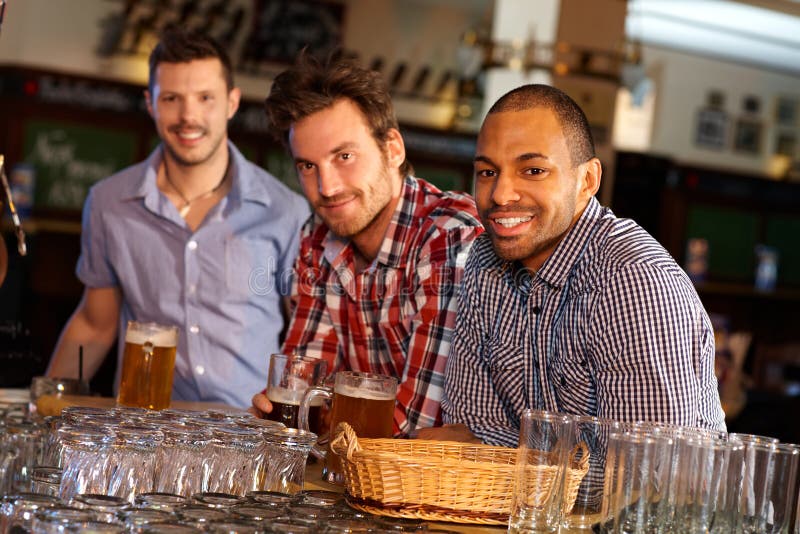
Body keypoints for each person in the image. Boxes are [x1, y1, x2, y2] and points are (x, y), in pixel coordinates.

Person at [424, 84, 726, 447]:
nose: (501, 195)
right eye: (488, 172)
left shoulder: (632, 280)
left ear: (587, 181)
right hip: (533, 505)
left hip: (675, 505)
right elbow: (468, 428)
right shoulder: (484, 259)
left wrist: (509, 453)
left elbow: (647, 478)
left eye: (533, 170)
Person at [47, 27, 309, 408]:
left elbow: (306, 334)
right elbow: (94, 323)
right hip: (145, 428)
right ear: (150, 103)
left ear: (232, 102)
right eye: (171, 98)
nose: (189, 116)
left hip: (247, 432)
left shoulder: (286, 210)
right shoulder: (108, 203)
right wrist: (45, 411)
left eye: (205, 98)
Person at [251, 53, 483, 437]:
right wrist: (280, 416)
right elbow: (301, 388)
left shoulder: (447, 237)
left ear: (393, 149)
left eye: (344, 156)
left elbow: (413, 429)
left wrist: (323, 421)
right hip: (351, 479)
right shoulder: (318, 234)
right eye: (308, 166)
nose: (327, 187)